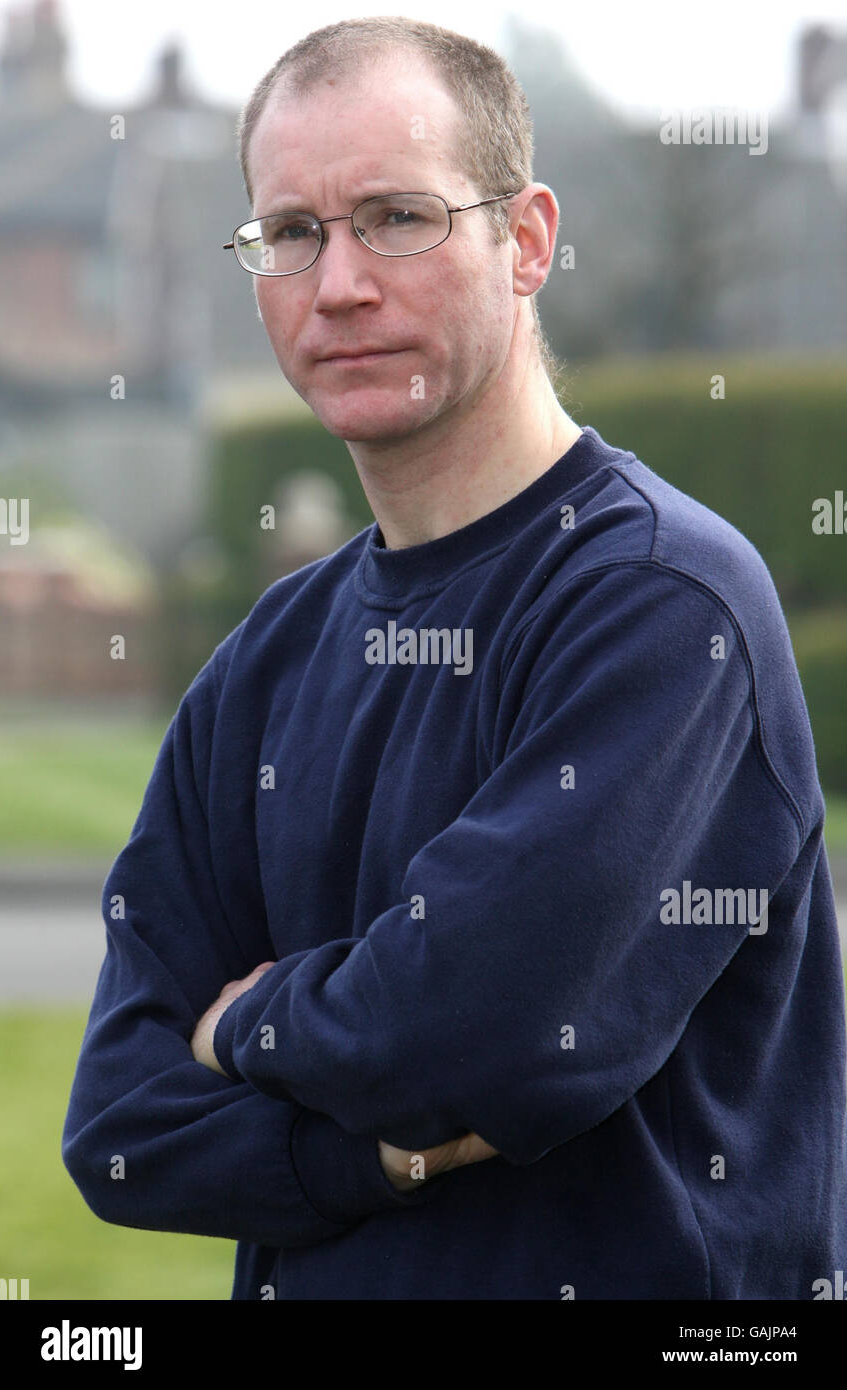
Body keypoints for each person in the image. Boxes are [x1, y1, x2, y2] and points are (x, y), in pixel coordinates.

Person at [63, 17, 847, 1301]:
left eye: (396, 217)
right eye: (293, 233)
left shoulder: (660, 605)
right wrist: (379, 1153)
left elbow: (483, 1037)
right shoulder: (265, 661)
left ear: (526, 238)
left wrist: (241, 1026)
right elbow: (117, 1128)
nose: (339, 284)